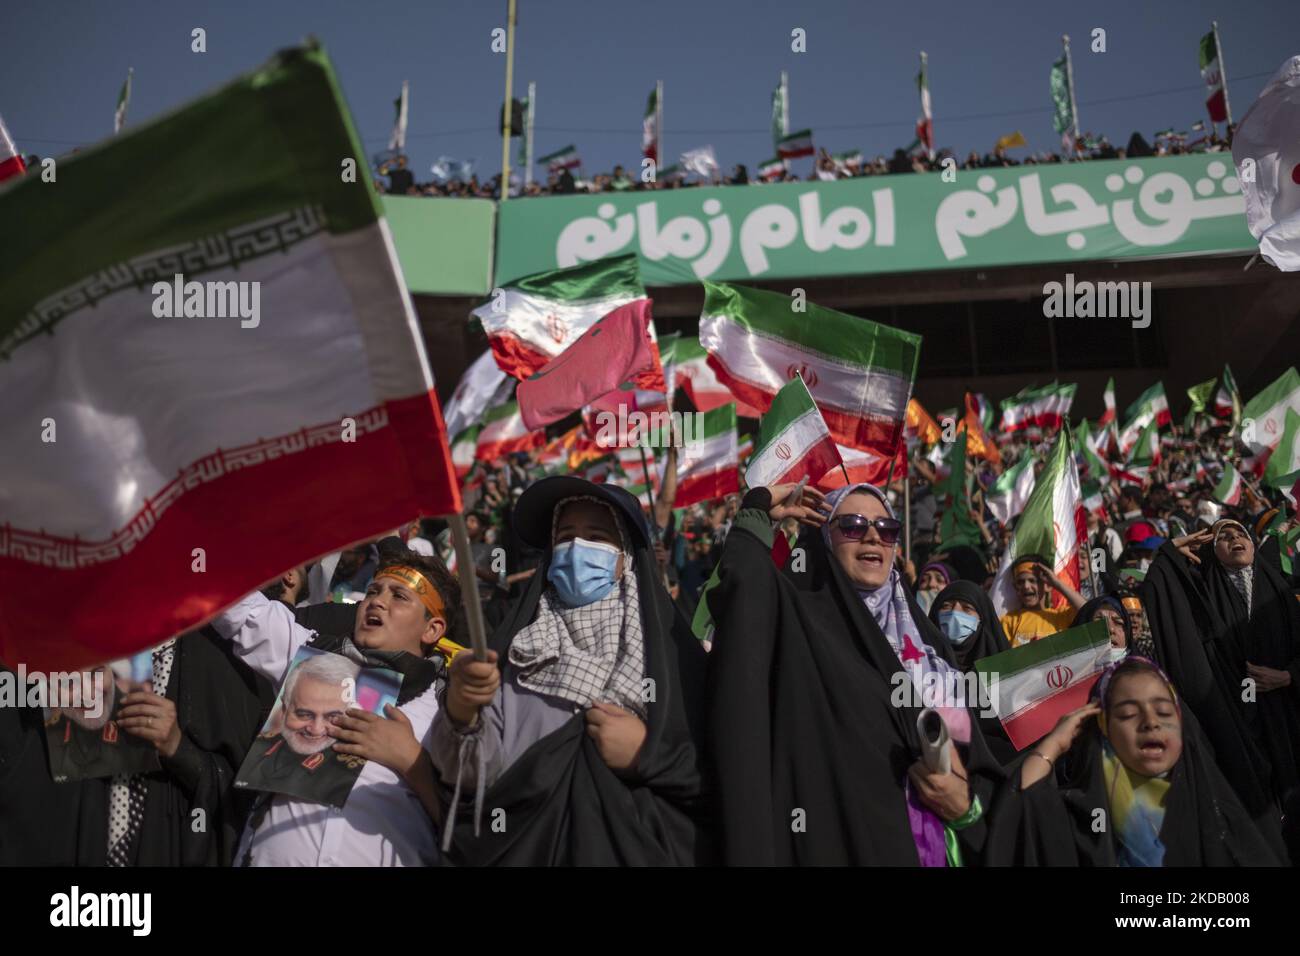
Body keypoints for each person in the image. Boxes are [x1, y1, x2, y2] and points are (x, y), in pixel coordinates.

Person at [705, 481, 1003, 865]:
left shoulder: (930, 645)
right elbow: (744, 596)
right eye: (853, 526)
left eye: (887, 529)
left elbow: (980, 761)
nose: (873, 537)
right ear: (824, 539)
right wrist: (755, 514)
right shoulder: (802, 624)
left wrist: (965, 806)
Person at [429, 476, 710, 865]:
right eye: (565, 536)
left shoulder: (672, 657)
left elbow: (715, 773)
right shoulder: (518, 650)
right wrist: (461, 713)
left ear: (625, 555)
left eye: (597, 535)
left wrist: (648, 755)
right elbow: (472, 778)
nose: (577, 548)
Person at [211, 549, 461, 866]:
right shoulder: (308, 656)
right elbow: (236, 607)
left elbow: (473, 831)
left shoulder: (450, 711)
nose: (377, 601)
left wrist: (412, 762)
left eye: (399, 596)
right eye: (372, 590)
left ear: (432, 630)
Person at [988, 657, 1284, 865]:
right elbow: (1019, 813)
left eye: (1164, 712)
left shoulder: (1218, 815)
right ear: (1103, 728)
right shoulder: (1080, 817)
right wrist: (1054, 744)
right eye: (1128, 714)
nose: (1150, 723)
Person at [1141, 519, 1300, 822]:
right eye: (1224, 537)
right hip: (1237, 723)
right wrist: (1168, 554)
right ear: (1213, 553)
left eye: (1241, 533)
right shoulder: (1203, 599)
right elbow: (1165, 605)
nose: (1234, 538)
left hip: (1288, 717)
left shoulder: (1282, 596)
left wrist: (1288, 676)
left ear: (1254, 545)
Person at [238, 652, 365, 809]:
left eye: (332, 717)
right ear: (284, 707)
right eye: (304, 714)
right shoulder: (255, 748)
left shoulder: (350, 772)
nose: (316, 729)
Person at [927, 579, 1014, 764]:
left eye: (966, 609)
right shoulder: (920, 669)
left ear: (982, 619)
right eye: (946, 606)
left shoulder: (1004, 672)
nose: (954, 613)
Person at [999, 555, 1086, 647]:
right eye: (1020, 582)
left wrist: (1056, 583)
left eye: (1033, 580)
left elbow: (1088, 610)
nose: (1026, 586)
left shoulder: (1061, 616)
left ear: (1047, 585)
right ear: (1015, 587)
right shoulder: (1008, 621)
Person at [1072, 595, 1132, 664]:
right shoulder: (1061, 672)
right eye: (1099, 622)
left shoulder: (1144, 671)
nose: (1110, 629)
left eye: (1118, 622)